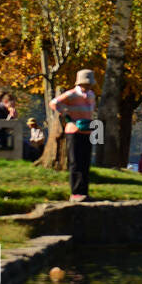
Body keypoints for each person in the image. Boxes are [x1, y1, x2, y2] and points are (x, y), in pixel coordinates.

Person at [50, 70, 98, 202]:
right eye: (86, 83)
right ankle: (75, 192)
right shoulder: (71, 94)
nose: (88, 86)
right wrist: (66, 116)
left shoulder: (91, 95)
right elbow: (54, 103)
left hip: (87, 131)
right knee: (75, 161)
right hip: (73, 131)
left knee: (85, 162)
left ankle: (84, 191)